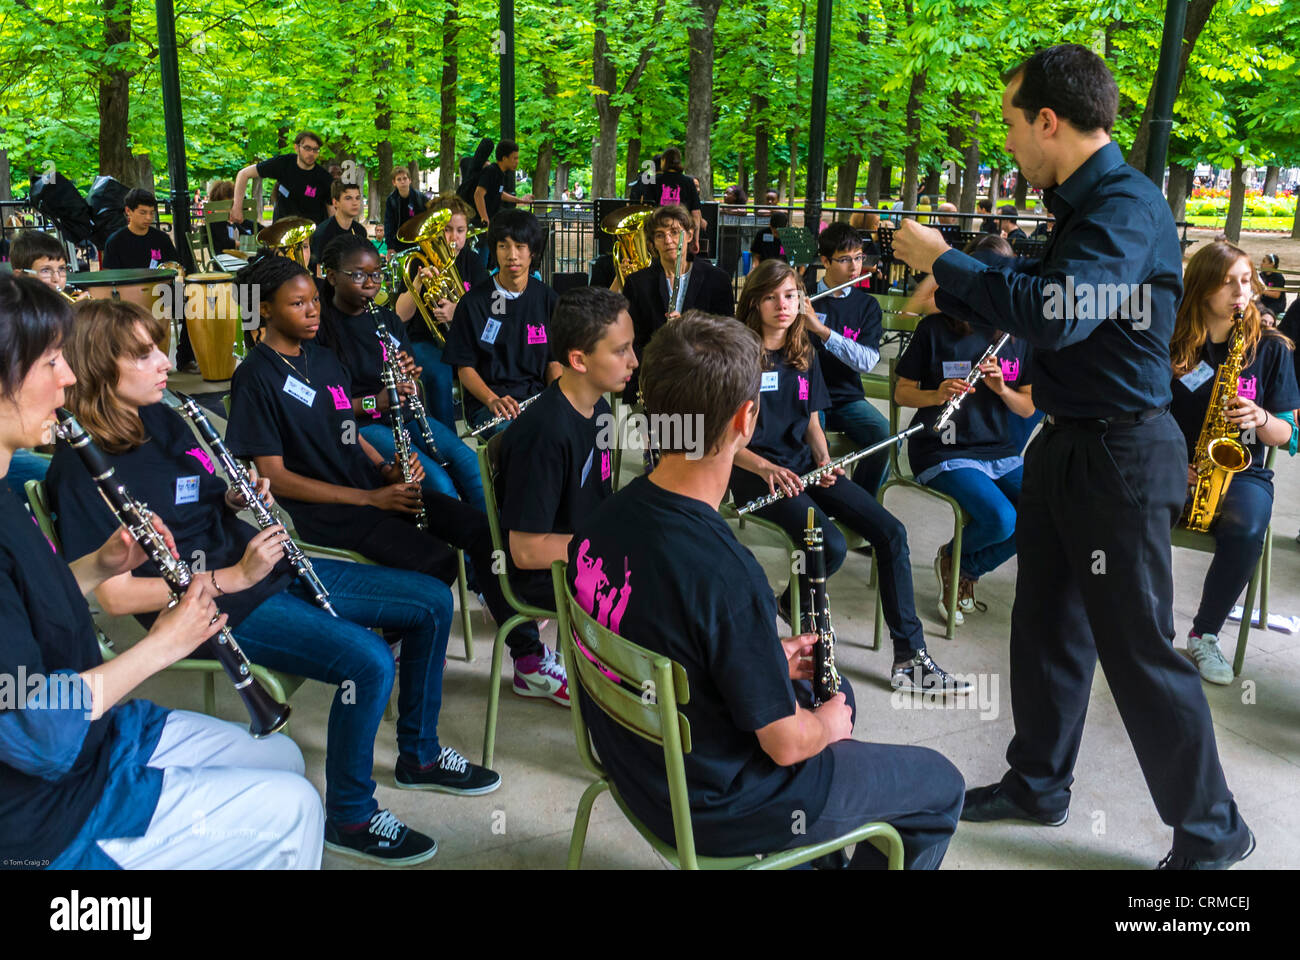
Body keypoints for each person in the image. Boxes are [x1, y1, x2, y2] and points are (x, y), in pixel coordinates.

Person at [891, 42, 1255, 869]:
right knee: (1046, 625)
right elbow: (1036, 299)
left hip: (1121, 456)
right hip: (1066, 442)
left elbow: (1056, 313)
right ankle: (1038, 782)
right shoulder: (1082, 207)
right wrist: (954, 286)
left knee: (1139, 649)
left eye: (1013, 126)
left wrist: (942, 260)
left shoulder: (1126, 207)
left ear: (1048, 121)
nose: (1010, 144)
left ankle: (1213, 830)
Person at [47, 298, 498, 866]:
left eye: (161, 347)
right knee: (369, 661)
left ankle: (420, 755)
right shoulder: (80, 467)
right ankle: (352, 817)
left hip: (262, 567)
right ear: (97, 366)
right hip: (208, 605)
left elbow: (208, 492)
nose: (165, 362)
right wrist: (231, 577)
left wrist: (239, 494)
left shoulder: (162, 415)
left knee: (432, 600)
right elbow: (115, 595)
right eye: (145, 354)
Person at [567, 310, 965, 868]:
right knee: (936, 781)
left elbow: (660, 634)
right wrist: (827, 725)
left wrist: (761, 655)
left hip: (636, 770)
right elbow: (783, 743)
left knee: (832, 686)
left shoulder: (603, 520)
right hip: (715, 807)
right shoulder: (727, 572)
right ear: (746, 419)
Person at [0, 274, 324, 870]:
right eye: (51, 363)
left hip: (102, 742)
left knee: (281, 760)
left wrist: (98, 566)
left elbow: (27, 606)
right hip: (51, 812)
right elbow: (36, 730)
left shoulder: (5, 495)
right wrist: (162, 645)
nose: (68, 378)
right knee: (295, 807)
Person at [223, 253, 561, 701]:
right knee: (435, 560)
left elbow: (347, 427)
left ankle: (528, 661)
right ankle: (401, 639)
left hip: (372, 487)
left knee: (480, 530)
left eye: (313, 303)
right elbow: (274, 478)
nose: (312, 312)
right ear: (264, 308)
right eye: (297, 304)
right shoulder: (254, 376)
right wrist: (370, 500)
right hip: (331, 511)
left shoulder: (321, 359)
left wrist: (387, 469)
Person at [731, 259, 972, 693]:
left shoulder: (803, 351)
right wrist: (766, 466)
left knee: (891, 531)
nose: (782, 306)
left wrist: (825, 459)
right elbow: (721, 439)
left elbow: (811, 419)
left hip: (804, 465)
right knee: (830, 545)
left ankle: (909, 658)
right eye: (770, 297)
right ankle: (799, 629)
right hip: (756, 472)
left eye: (789, 295)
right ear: (754, 302)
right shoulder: (737, 356)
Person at [496, 287, 636, 700]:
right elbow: (525, 550)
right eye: (621, 351)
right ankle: (620, 699)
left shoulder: (601, 409)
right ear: (578, 360)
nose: (634, 361)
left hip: (585, 552)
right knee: (660, 598)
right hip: (547, 573)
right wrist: (610, 548)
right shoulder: (544, 433)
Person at [1169, 242, 1299, 683]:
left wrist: (1260, 416)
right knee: (1128, 509)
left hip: (1243, 470)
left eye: (1246, 281)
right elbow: (1142, 412)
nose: (1240, 292)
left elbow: (1285, 433)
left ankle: (1204, 633)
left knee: (1245, 530)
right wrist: (1166, 462)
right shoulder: (1169, 341)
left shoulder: (1272, 348)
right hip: (1173, 462)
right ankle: (1143, 626)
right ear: (1202, 288)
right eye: (1227, 283)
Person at [894, 236, 1036, 623]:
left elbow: (1027, 405)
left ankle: (965, 566)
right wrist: (936, 394)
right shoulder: (935, 329)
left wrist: (1002, 389)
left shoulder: (1015, 335)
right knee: (1002, 519)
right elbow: (901, 392)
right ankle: (953, 559)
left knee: (1042, 516)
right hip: (942, 449)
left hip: (998, 450)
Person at [316, 233, 483, 510]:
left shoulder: (387, 320)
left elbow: (415, 385)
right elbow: (323, 405)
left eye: (376, 275)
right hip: (360, 426)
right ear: (332, 277)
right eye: (359, 276)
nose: (370, 284)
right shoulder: (320, 330)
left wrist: (410, 382)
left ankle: (493, 545)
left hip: (405, 416)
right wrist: (375, 402)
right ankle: (455, 550)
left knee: (471, 467)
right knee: (439, 483)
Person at [441, 209, 561, 437]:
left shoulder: (547, 299)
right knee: (524, 438)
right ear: (495, 250)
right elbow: (465, 368)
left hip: (537, 398)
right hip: (490, 404)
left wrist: (557, 397)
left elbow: (553, 360)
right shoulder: (473, 303)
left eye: (520, 246)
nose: (512, 255)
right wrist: (491, 399)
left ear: (532, 252)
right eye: (503, 246)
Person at [802, 222, 891, 496]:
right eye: (844, 259)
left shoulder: (867, 306)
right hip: (806, 397)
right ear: (825, 261)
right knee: (811, 448)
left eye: (859, 257)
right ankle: (815, 508)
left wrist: (821, 331)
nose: (855, 267)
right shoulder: (803, 296)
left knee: (884, 437)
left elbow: (867, 361)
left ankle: (862, 500)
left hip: (846, 397)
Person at [394, 195, 489, 430]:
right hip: (424, 341)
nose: (453, 237)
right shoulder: (418, 261)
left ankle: (488, 423)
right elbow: (399, 315)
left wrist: (457, 310)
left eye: (460, 230)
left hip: (465, 342)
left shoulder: (472, 262)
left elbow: (487, 308)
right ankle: (444, 438)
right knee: (438, 374)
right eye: (447, 230)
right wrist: (416, 283)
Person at [623, 204, 735, 401]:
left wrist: (689, 327)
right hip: (656, 383)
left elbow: (728, 333)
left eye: (675, 232)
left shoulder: (717, 279)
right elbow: (632, 340)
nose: (668, 240)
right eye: (659, 235)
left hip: (703, 382)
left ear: (690, 235)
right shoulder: (637, 283)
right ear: (652, 244)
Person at [230, 131, 334, 228]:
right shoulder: (283, 164)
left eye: (316, 150)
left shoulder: (324, 178)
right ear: (296, 147)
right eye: (307, 148)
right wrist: (237, 208)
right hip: (281, 231)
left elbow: (332, 210)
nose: (311, 153)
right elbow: (243, 174)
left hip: (311, 235)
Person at [635, 149, 702, 251]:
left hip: (659, 234)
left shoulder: (654, 181)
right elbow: (696, 214)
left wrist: (646, 239)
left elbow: (646, 210)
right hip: (681, 233)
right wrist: (695, 239)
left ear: (664, 161)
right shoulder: (688, 182)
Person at [101, 189, 179, 270]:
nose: (148, 218)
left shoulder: (162, 239)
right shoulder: (115, 242)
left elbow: (176, 270)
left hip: (160, 282)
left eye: (151, 213)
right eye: (143, 213)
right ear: (128, 211)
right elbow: (110, 277)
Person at [309, 180, 369, 270]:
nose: (355, 203)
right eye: (348, 198)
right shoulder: (323, 233)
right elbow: (319, 274)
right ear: (335, 202)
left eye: (357, 198)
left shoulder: (360, 231)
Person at [473, 140, 533, 230]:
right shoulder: (491, 171)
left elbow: (499, 193)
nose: (517, 161)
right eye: (515, 158)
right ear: (504, 158)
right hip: (482, 225)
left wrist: (520, 200)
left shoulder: (500, 173)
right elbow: (478, 195)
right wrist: (485, 220)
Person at [384, 167, 428, 254]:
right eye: (399, 179)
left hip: (418, 242)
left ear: (410, 180)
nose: (402, 181)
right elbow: (388, 223)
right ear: (394, 183)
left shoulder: (420, 197)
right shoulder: (391, 200)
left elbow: (427, 219)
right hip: (399, 243)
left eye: (405, 178)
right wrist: (390, 246)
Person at [206, 180, 256, 254]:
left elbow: (244, 233)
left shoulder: (229, 220)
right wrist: (246, 244)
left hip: (234, 256)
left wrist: (253, 241)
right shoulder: (215, 220)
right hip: (222, 258)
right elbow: (226, 243)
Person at [1258, 253, 1287, 318]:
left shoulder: (1278, 277)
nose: (1261, 264)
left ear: (1272, 264)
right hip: (1264, 301)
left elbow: (1276, 295)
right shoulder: (1261, 275)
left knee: (1263, 313)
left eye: (1264, 261)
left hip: (1276, 304)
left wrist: (1262, 291)